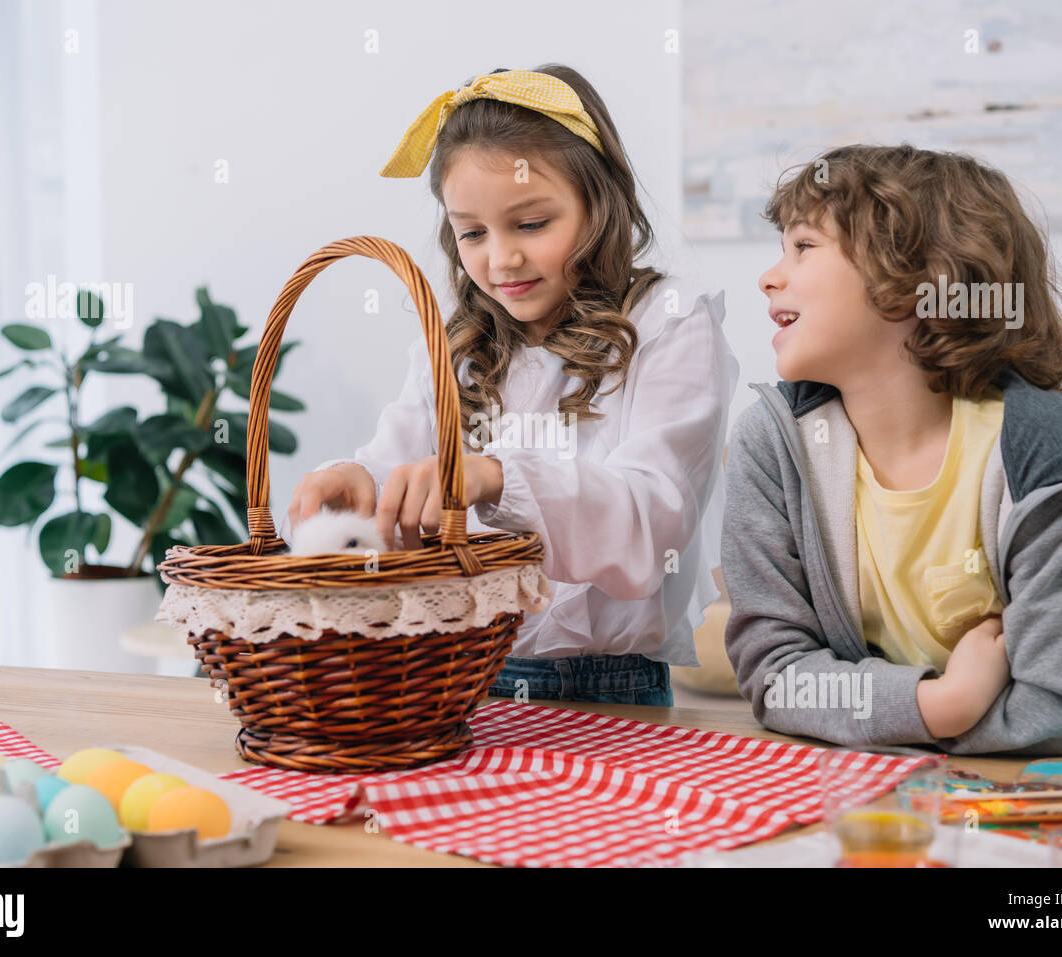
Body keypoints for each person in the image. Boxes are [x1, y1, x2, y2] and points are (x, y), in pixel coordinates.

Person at [287, 65, 740, 706]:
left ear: (600, 204)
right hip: (454, 677)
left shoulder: (667, 324)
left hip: (607, 691)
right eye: (473, 232)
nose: (500, 259)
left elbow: (651, 522)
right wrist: (358, 490)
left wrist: (497, 475)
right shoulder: (453, 348)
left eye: (531, 225)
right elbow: (399, 474)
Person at [722, 143, 1062, 753]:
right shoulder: (771, 443)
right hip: (873, 784)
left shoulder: (1037, 451)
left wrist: (869, 709)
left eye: (804, 247)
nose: (769, 275)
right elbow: (776, 679)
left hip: (1037, 790)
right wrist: (942, 705)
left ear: (917, 284)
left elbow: (1055, 708)